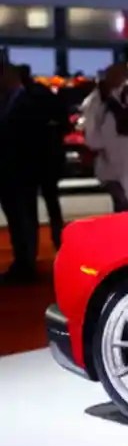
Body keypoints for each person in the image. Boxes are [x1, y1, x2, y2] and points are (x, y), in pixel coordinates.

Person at [0, 62, 42, 283]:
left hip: (23, 172)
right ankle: (22, 262)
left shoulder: (28, 101)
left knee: (24, 219)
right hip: (9, 172)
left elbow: (33, 140)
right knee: (17, 220)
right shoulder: (7, 101)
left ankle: (26, 264)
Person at [18, 65, 68, 249]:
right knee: (52, 201)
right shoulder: (46, 94)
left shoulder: (22, 98)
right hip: (49, 156)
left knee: (28, 205)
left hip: (29, 158)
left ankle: (31, 244)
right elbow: (63, 123)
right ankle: (58, 239)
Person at [82, 64, 128, 213]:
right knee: (122, 201)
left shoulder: (126, 97)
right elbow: (91, 131)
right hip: (108, 159)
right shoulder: (96, 101)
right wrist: (101, 148)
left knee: (127, 201)